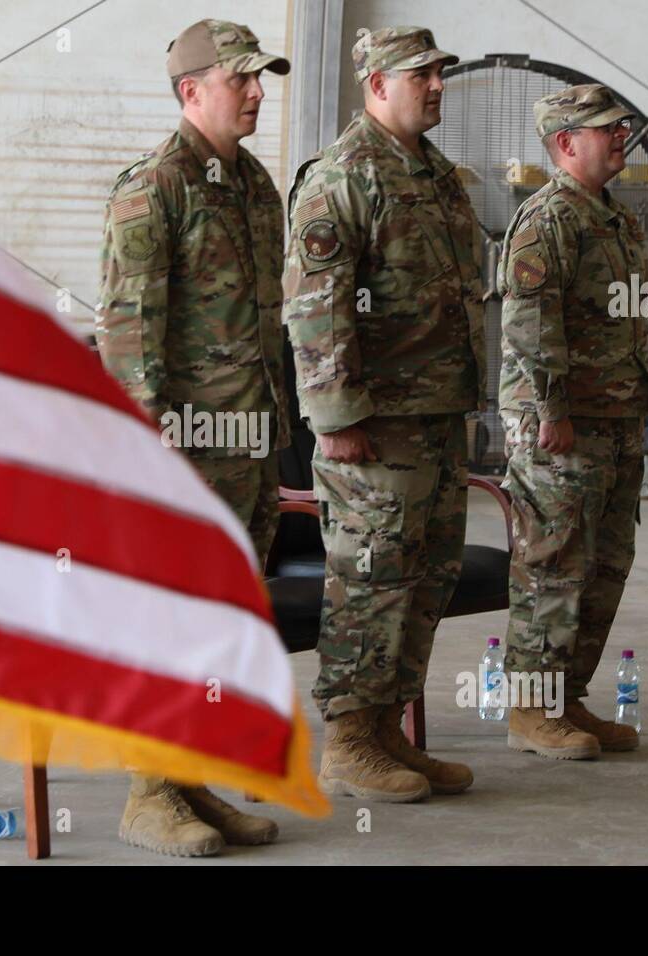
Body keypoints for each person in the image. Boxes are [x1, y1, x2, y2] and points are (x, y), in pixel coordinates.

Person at [95, 19, 290, 856]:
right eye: (241, 78)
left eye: (260, 79)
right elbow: (128, 333)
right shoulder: (155, 188)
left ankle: (192, 779)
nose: (255, 92)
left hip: (249, 443)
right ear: (191, 90)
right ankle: (148, 793)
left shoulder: (254, 187)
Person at [283, 26, 488, 802]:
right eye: (421, 76)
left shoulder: (434, 172)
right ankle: (348, 741)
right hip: (374, 423)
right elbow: (316, 304)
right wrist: (334, 416)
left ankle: (388, 731)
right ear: (376, 85)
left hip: (435, 412)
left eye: (440, 74)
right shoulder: (344, 175)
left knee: (425, 576)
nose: (437, 86)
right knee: (369, 577)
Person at [497, 84, 648, 759]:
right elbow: (530, 323)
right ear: (566, 144)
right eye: (605, 130)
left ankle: (568, 697)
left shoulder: (613, 218)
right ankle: (531, 711)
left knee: (606, 563)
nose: (621, 138)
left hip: (616, 412)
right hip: (559, 422)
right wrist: (551, 410)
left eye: (622, 128)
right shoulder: (547, 219)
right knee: (555, 562)